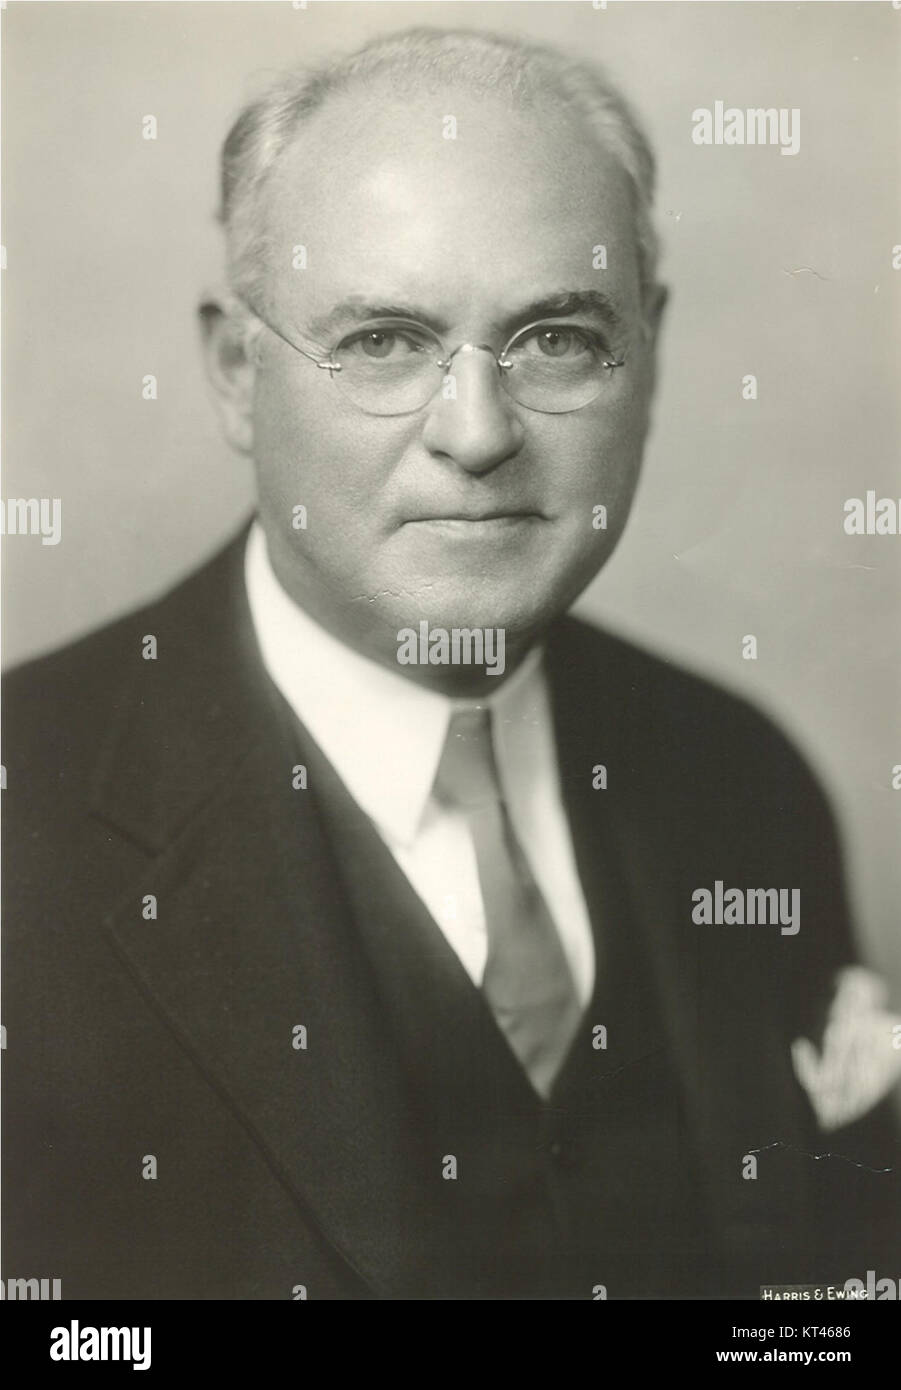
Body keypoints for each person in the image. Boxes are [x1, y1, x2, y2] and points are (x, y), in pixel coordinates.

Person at [3, 27, 898, 1300]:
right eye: (381, 342)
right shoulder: (19, 821)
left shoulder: (741, 779)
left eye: (553, 339)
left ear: (646, 354)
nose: (477, 434)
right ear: (235, 375)